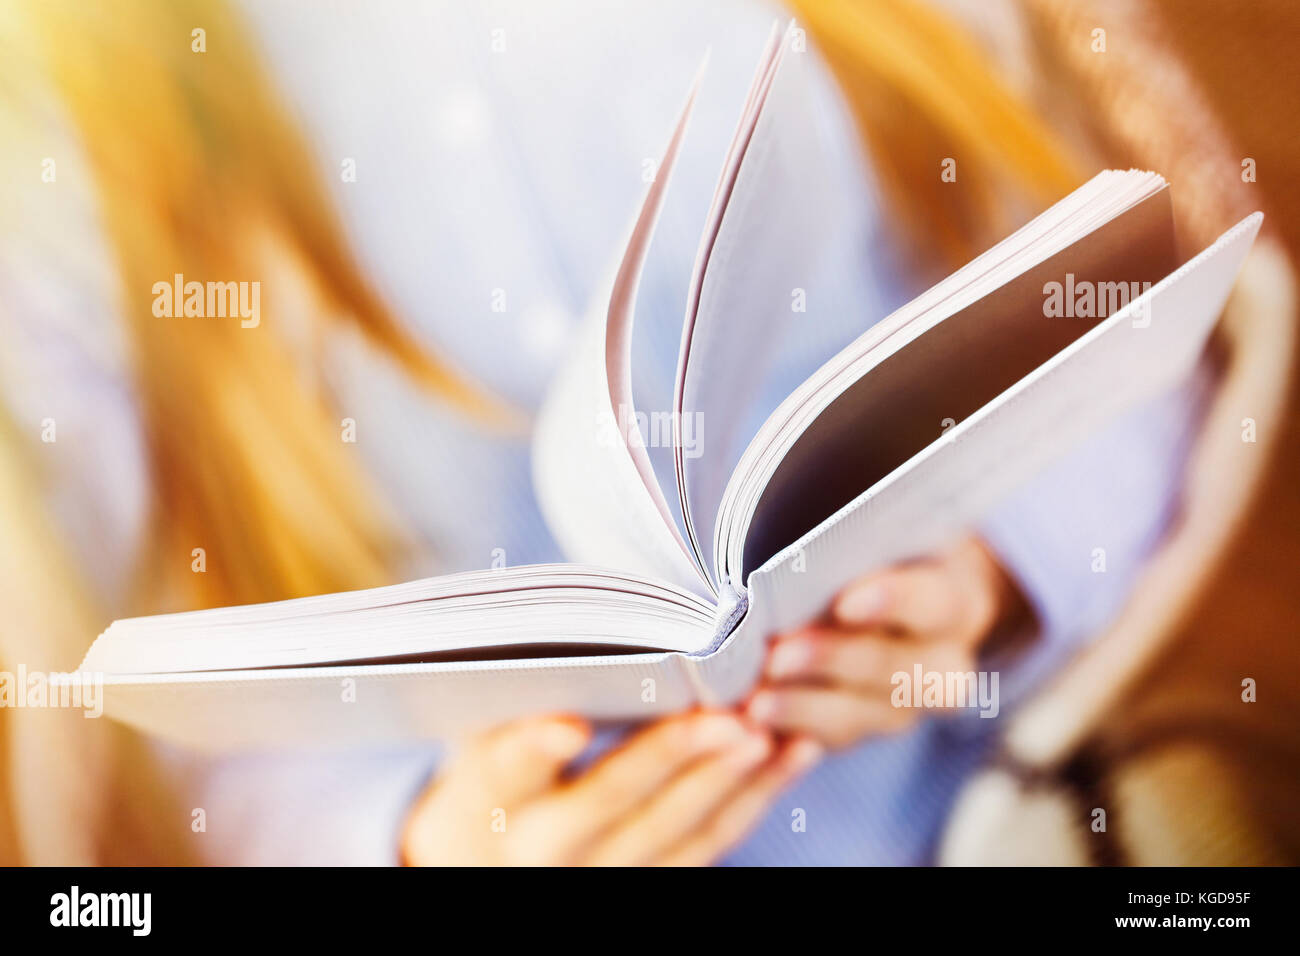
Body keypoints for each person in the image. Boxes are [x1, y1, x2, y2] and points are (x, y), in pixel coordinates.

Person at [0, 0, 1205, 865]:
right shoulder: (80, 122)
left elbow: (1122, 313)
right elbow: (177, 700)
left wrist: (992, 577)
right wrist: (419, 845)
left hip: (974, 805)